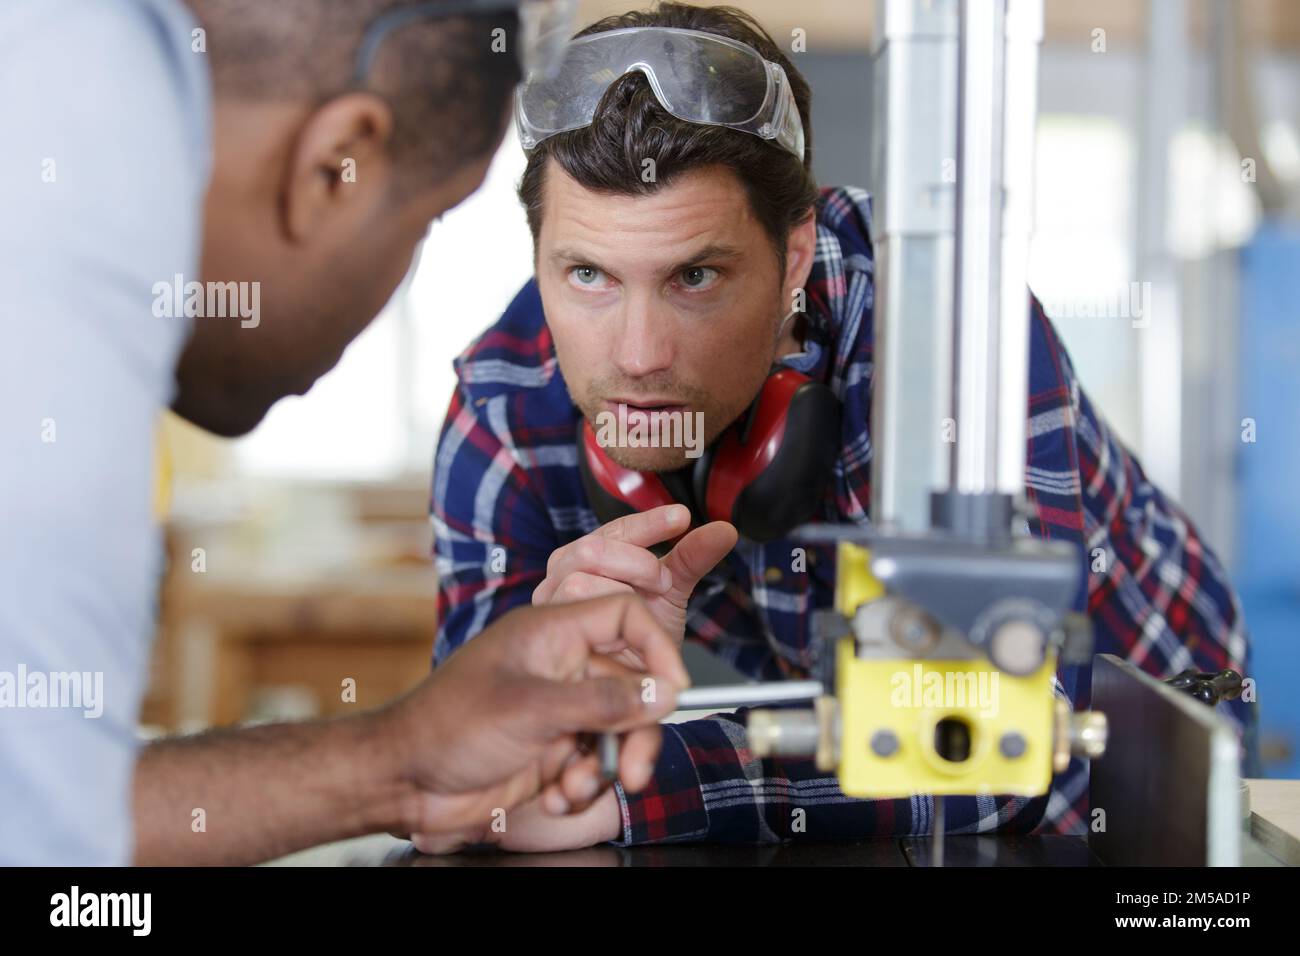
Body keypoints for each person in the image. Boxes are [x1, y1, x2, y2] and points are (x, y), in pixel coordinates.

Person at [427, 2, 1254, 851]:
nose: (637, 356)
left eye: (697, 275)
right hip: (872, 735)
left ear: (792, 258)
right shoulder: (503, 410)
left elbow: (1015, 743)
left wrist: (650, 785)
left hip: (1152, 739)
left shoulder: (948, 332)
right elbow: (468, 780)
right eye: (588, 273)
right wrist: (546, 697)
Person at [0, 0, 687, 866]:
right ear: (337, 164)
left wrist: (398, 762)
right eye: (425, 219)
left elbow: (38, 802)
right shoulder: (68, 256)